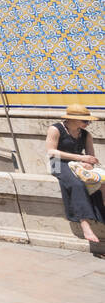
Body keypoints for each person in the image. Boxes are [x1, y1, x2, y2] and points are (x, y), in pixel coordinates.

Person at [46, 104, 105, 244]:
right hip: (57, 163)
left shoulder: (86, 134)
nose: (88, 123)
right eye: (85, 121)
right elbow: (51, 151)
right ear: (72, 119)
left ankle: (101, 216)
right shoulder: (55, 129)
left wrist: (88, 163)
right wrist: (81, 158)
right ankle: (85, 225)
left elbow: (91, 156)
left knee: (100, 182)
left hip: (78, 164)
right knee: (76, 184)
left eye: (89, 121)